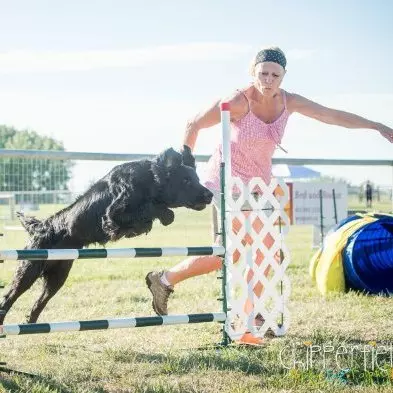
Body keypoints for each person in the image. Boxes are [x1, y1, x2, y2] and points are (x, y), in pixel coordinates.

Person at [145, 46, 393, 344]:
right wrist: (185, 172)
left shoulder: (288, 102)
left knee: (255, 254)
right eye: (263, 73)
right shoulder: (237, 101)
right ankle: (240, 313)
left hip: (258, 187)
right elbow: (192, 123)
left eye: (276, 74)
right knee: (231, 253)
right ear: (253, 71)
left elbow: (330, 115)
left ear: (283, 76)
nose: (269, 79)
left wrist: (374, 125)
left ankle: (219, 303)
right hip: (227, 184)